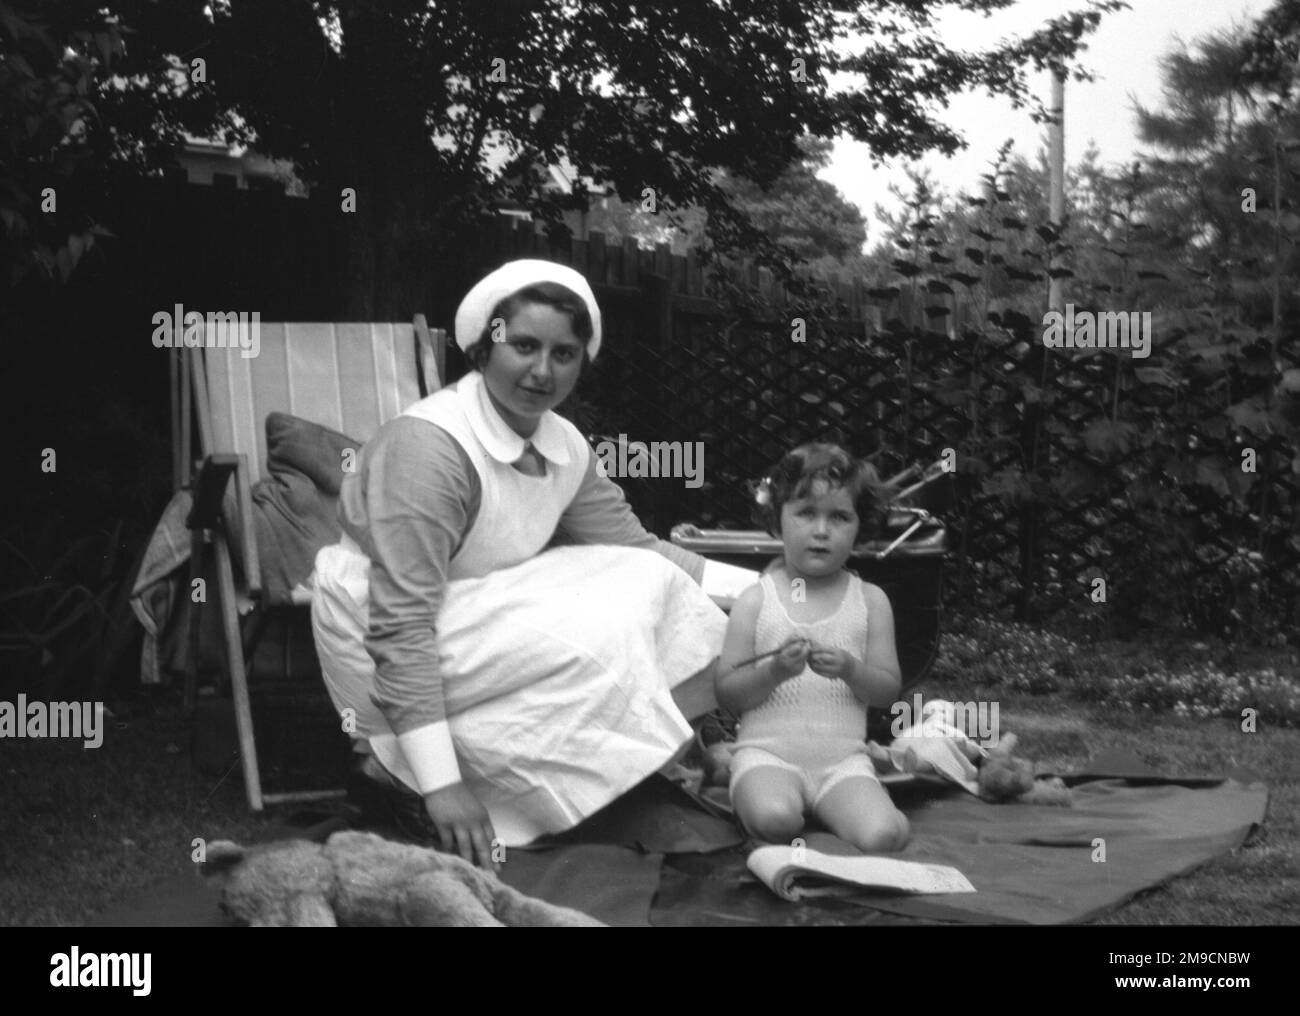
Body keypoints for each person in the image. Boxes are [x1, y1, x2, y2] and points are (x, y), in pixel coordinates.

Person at [311, 259, 757, 868]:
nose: (542, 371)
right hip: (381, 641)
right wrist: (444, 785)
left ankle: (617, 767)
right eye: (523, 346)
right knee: (601, 633)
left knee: (648, 583)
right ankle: (400, 773)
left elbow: (641, 550)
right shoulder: (430, 450)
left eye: (564, 354)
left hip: (474, 611)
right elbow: (401, 624)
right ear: (482, 346)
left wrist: (771, 593)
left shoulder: (561, 443)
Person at [715, 443, 910, 853]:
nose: (821, 531)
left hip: (842, 763)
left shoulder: (871, 601)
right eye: (806, 513)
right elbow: (728, 693)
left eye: (839, 517)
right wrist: (774, 672)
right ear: (778, 518)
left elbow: (887, 690)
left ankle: (867, 811)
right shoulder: (756, 600)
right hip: (766, 756)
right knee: (775, 820)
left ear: (862, 525)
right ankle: (751, 789)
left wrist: (850, 670)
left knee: (882, 837)